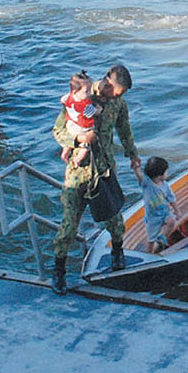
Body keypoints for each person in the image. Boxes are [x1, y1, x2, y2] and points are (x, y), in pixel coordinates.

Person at [50, 64, 143, 293]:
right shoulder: (81, 95)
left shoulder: (119, 104)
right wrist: (80, 140)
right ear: (109, 84)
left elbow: (125, 131)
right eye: (119, 92)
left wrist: (133, 156)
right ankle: (59, 271)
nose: (120, 97)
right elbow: (58, 131)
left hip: (104, 169)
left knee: (114, 219)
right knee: (69, 224)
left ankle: (117, 253)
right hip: (78, 171)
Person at [134, 156, 182, 254]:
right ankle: (150, 253)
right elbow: (139, 175)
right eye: (166, 171)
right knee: (151, 240)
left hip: (165, 213)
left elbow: (171, 199)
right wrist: (136, 167)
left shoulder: (165, 185)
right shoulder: (147, 184)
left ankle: (161, 238)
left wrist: (177, 211)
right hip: (152, 217)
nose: (167, 173)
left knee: (171, 221)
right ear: (160, 175)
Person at [59, 71, 98, 168]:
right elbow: (92, 113)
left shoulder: (68, 97)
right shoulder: (84, 105)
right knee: (87, 143)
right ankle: (78, 159)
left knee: (69, 141)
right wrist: (98, 109)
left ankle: (65, 151)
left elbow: (62, 100)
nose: (90, 93)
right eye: (87, 91)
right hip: (82, 129)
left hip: (71, 126)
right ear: (75, 91)